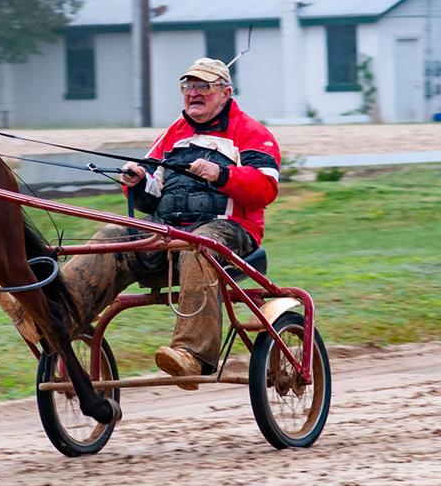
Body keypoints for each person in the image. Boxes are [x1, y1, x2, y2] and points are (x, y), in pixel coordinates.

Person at [60, 58, 281, 388]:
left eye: (203, 86)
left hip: (228, 229)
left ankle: (192, 355)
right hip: (168, 231)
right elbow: (151, 193)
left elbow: (266, 188)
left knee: (198, 246)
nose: (193, 93)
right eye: (188, 86)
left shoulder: (251, 133)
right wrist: (136, 181)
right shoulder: (172, 135)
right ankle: (55, 316)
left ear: (226, 92)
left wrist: (222, 174)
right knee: (112, 234)